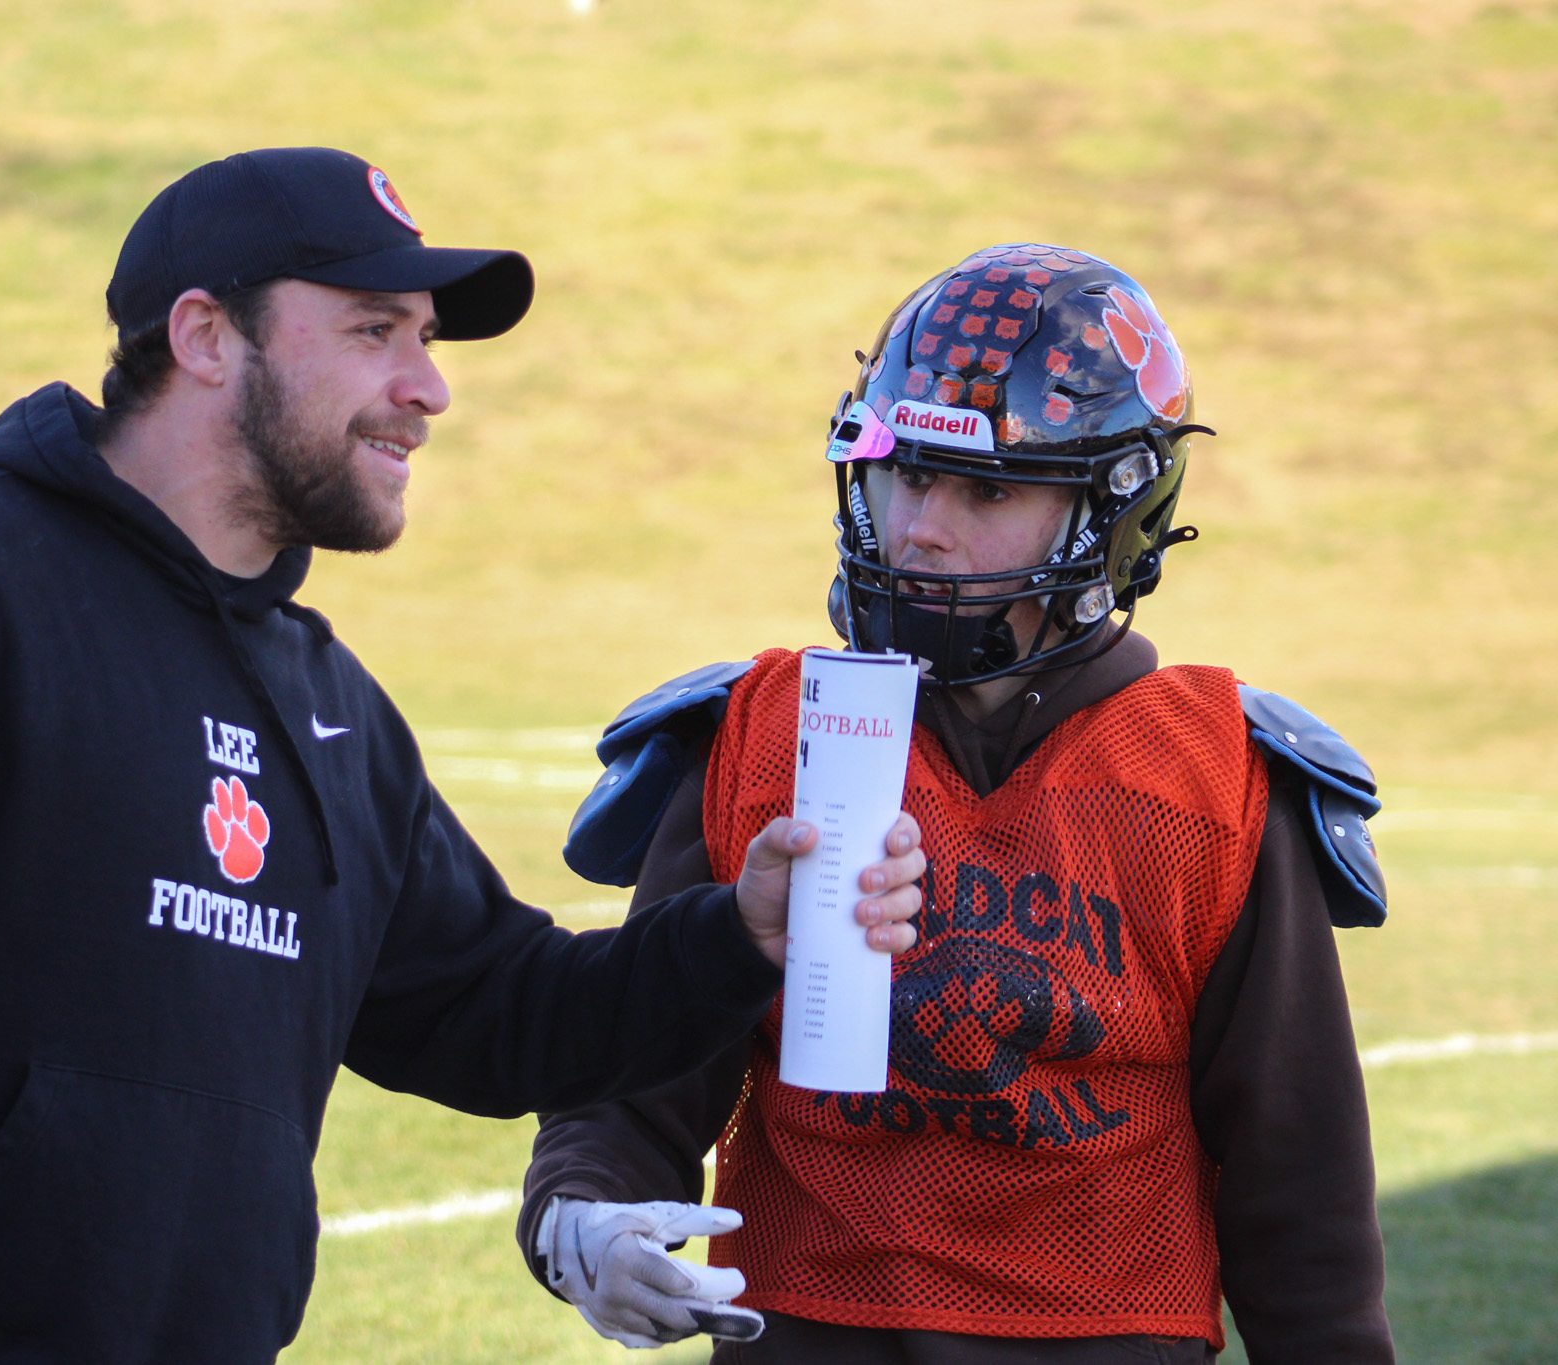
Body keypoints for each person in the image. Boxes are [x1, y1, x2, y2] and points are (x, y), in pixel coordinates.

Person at [0, 147, 931, 1365]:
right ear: (207, 338)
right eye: (376, 331)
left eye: (424, 342)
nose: (427, 390)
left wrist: (736, 933)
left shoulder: (329, 706)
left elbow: (497, 1014)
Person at [516, 244, 1396, 1363]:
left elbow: (1297, 1181)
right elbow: (639, 1063)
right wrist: (581, 1212)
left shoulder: (1206, 776)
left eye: (985, 488)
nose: (921, 527)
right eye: (906, 475)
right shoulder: (761, 735)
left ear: (1105, 512)